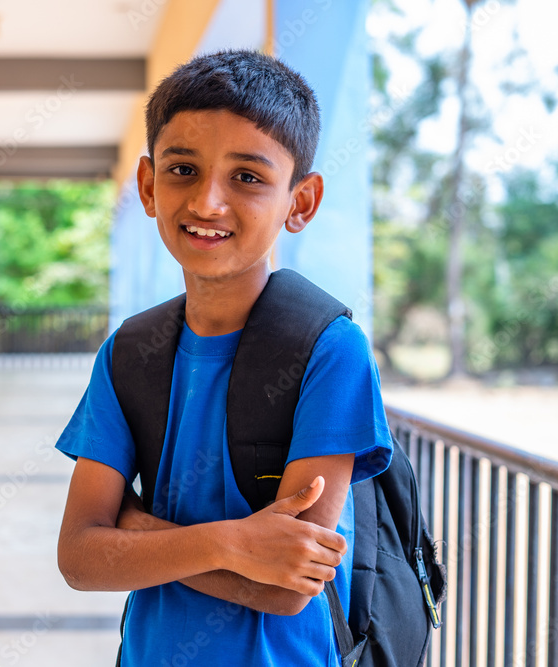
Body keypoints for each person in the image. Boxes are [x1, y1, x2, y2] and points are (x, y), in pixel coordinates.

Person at [55, 49, 394, 666]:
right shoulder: (129, 351)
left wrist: (132, 527)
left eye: (247, 177)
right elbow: (78, 557)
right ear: (149, 186)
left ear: (301, 202)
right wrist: (238, 542)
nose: (208, 202)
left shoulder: (330, 350)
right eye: (183, 168)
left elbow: (286, 587)